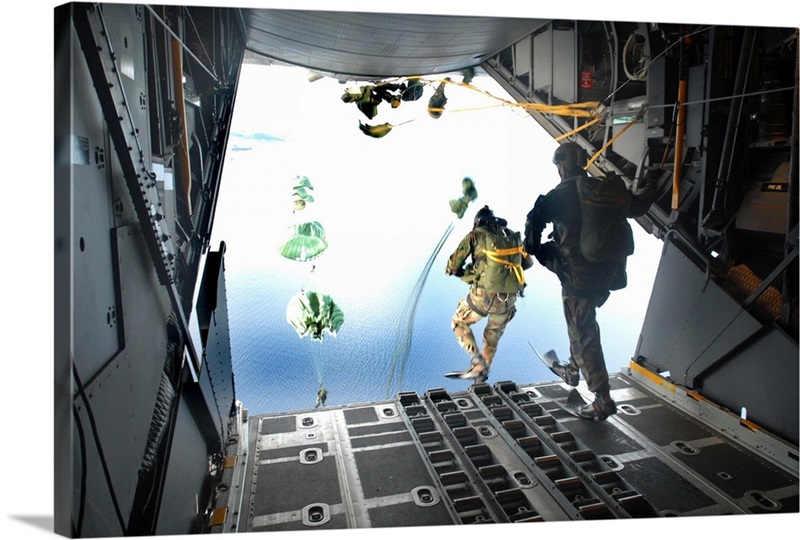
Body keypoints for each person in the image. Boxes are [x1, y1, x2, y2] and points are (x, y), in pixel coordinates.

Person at [524, 142, 654, 421]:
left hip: (578, 279)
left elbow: (533, 228)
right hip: (607, 275)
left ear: (561, 165)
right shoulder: (602, 191)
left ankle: (602, 400)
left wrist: (540, 251)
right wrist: (652, 183)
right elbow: (639, 206)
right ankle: (573, 370)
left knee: (583, 333)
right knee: (581, 324)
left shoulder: (558, 195)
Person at [445, 206, 533, 383]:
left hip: (483, 297)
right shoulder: (510, 236)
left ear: (478, 222)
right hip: (508, 300)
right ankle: (482, 372)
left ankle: (477, 361)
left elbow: (453, 265)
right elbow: (528, 263)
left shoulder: (474, 235)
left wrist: (457, 271)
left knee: (458, 321)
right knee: (493, 335)